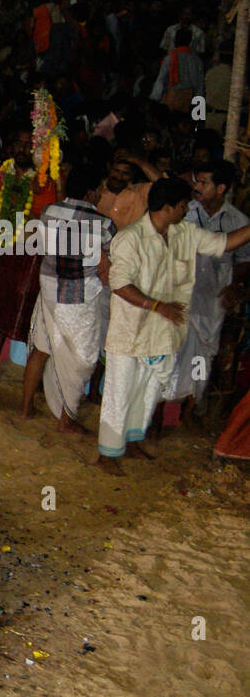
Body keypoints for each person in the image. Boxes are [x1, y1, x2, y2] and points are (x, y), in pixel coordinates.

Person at [95, 177, 250, 474]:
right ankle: (106, 454)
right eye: (182, 205)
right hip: (131, 333)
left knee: (149, 391)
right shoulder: (130, 238)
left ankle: (132, 442)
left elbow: (224, 243)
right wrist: (158, 306)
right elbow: (120, 285)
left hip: (164, 334)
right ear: (167, 207)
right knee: (120, 392)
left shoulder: (184, 233)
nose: (186, 210)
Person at [23, 163, 115, 433]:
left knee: (41, 349)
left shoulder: (50, 211)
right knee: (83, 359)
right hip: (78, 298)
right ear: (90, 191)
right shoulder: (104, 224)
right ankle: (67, 419)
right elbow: (114, 258)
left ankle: (26, 408)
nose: (101, 194)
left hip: (49, 292)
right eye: (100, 189)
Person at [0, 126, 59, 388]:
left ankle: (34, 377)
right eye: (17, 143)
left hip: (31, 256)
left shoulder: (47, 180)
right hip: (0, 249)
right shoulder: (0, 175)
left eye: (28, 144)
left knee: (30, 314)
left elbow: (51, 220)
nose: (22, 149)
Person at [163, 160, 250, 411]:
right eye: (197, 181)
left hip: (212, 297)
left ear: (221, 188)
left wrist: (236, 284)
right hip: (179, 294)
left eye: (204, 182)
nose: (197, 187)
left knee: (203, 353)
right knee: (174, 348)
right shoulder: (184, 211)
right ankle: (168, 407)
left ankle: (192, 403)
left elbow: (244, 260)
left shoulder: (238, 221)